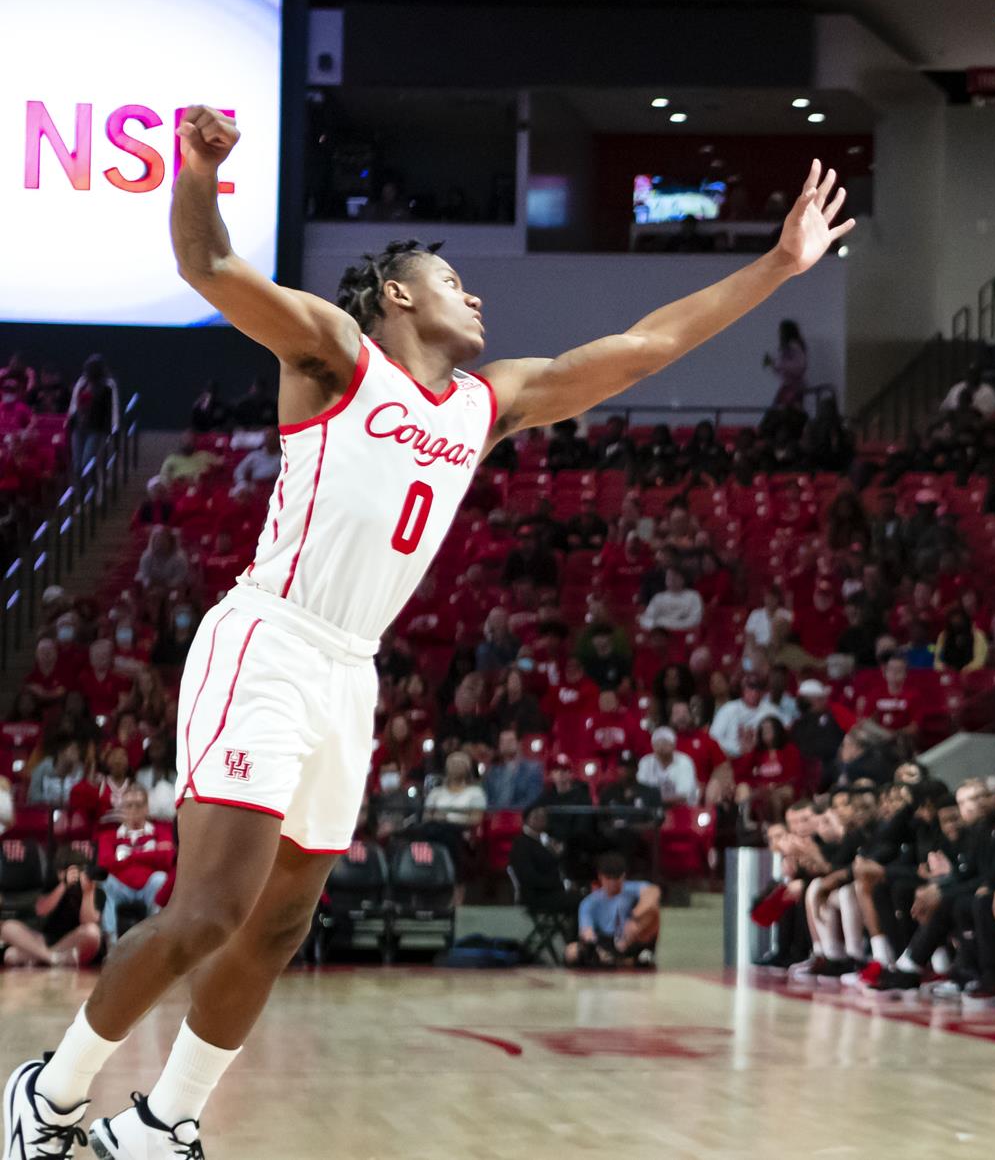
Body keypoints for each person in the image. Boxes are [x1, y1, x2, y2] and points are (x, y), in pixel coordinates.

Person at [0, 110, 854, 1160]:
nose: (476, 292)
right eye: (455, 278)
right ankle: (50, 1092)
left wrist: (778, 261)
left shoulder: (485, 403)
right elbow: (208, 261)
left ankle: (165, 1116)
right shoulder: (334, 354)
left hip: (349, 670)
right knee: (210, 910)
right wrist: (199, 172)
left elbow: (642, 349)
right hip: (267, 637)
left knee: (278, 923)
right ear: (400, 294)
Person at [95, 786, 175, 940]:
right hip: (121, 887)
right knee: (105, 882)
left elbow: (167, 859)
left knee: (161, 878)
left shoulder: (161, 832)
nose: (134, 810)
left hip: (149, 886)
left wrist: (128, 857)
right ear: (122, 809)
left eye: (138, 805)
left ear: (146, 808)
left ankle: (155, 938)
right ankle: (110, 941)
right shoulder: (108, 836)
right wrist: (151, 855)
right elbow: (105, 864)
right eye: (129, 805)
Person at [0, 853, 103, 971]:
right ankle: (53, 959)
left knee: (92, 932)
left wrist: (88, 893)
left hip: (71, 943)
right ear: (60, 872)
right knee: (8, 932)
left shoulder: (94, 891)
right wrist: (64, 885)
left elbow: (88, 921)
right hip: (43, 941)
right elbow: (41, 911)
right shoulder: (52, 886)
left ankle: (47, 958)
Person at [568, 852, 661, 968]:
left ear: (623, 876)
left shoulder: (631, 889)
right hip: (605, 940)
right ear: (600, 876)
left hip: (630, 938)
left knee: (652, 912)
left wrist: (634, 918)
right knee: (572, 951)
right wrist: (595, 947)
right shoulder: (590, 902)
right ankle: (614, 960)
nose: (612, 883)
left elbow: (653, 893)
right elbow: (587, 931)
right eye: (608, 878)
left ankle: (631, 957)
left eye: (616, 878)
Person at [65, 356, 119, 478]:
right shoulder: (82, 383)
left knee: (87, 461)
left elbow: (113, 406)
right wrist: (70, 420)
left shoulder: (107, 386)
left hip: (96, 428)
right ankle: (80, 492)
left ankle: (91, 488)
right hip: (78, 427)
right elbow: (74, 404)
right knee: (77, 464)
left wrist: (114, 427)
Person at [636, 726, 701, 807]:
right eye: (658, 742)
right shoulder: (646, 762)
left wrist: (655, 799)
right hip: (652, 809)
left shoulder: (684, 761)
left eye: (665, 742)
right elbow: (641, 789)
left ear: (673, 745)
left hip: (682, 809)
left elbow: (684, 796)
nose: (661, 746)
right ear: (653, 745)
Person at [765, 319, 808, 410]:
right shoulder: (788, 348)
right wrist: (774, 365)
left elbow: (799, 366)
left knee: (784, 413)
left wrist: (776, 364)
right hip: (790, 385)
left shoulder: (794, 347)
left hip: (794, 386)